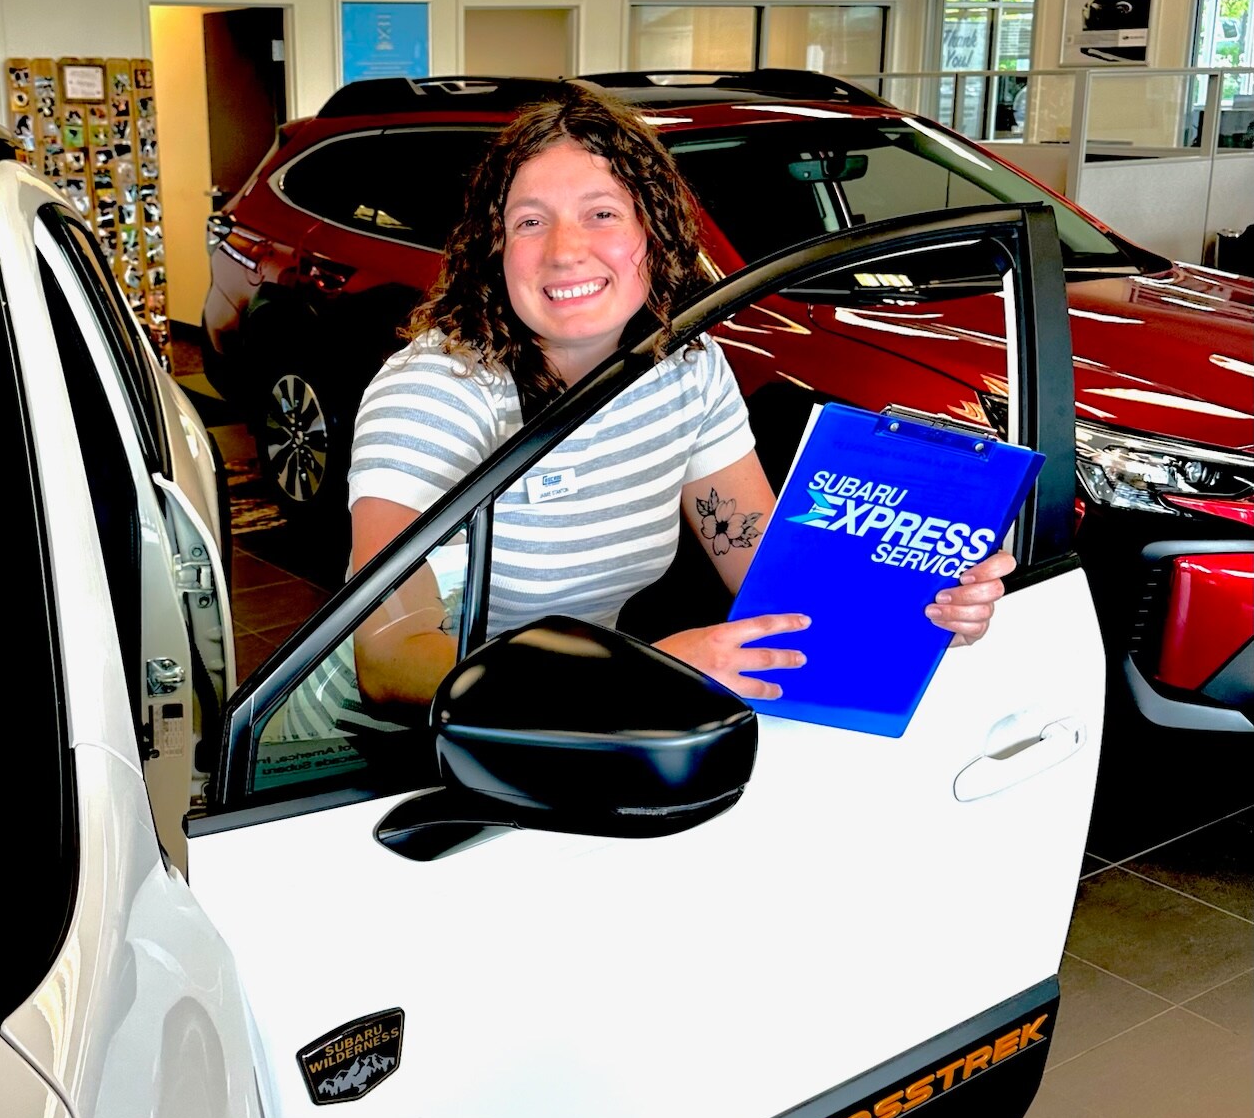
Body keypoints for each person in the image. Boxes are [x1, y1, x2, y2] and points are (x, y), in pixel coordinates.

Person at [343, 84, 1012, 712]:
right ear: (495, 249)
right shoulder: (436, 392)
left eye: (601, 214)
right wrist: (638, 674)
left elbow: (773, 585)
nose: (564, 251)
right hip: (382, 756)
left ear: (652, 234)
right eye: (529, 222)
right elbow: (390, 659)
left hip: (577, 717)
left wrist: (915, 611)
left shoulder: (684, 372)